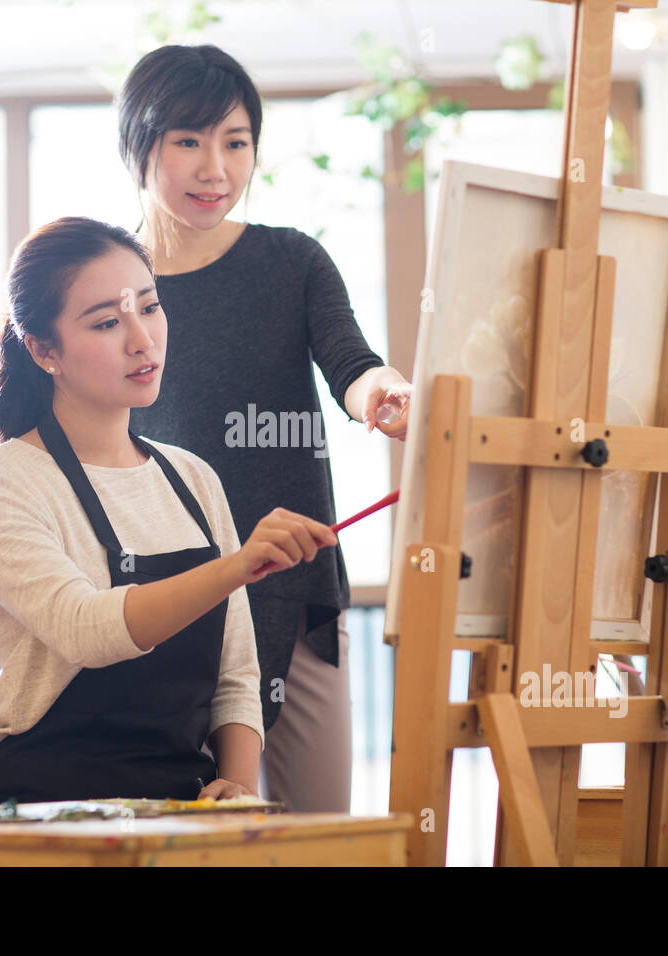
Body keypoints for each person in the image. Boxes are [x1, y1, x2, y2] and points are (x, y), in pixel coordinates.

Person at [115, 44, 414, 812]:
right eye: (188, 141)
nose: (216, 168)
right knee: (186, 838)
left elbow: (353, 364)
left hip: (293, 592)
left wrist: (383, 393)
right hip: (161, 605)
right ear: (138, 143)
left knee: (319, 835)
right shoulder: (105, 279)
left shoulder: (291, 261)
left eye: (236, 142)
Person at [0, 217, 338, 802]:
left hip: (179, 805)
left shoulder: (193, 479)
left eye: (150, 308)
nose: (142, 340)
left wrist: (236, 788)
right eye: (107, 322)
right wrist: (235, 568)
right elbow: (86, 630)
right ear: (44, 350)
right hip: (40, 810)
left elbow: (236, 675)